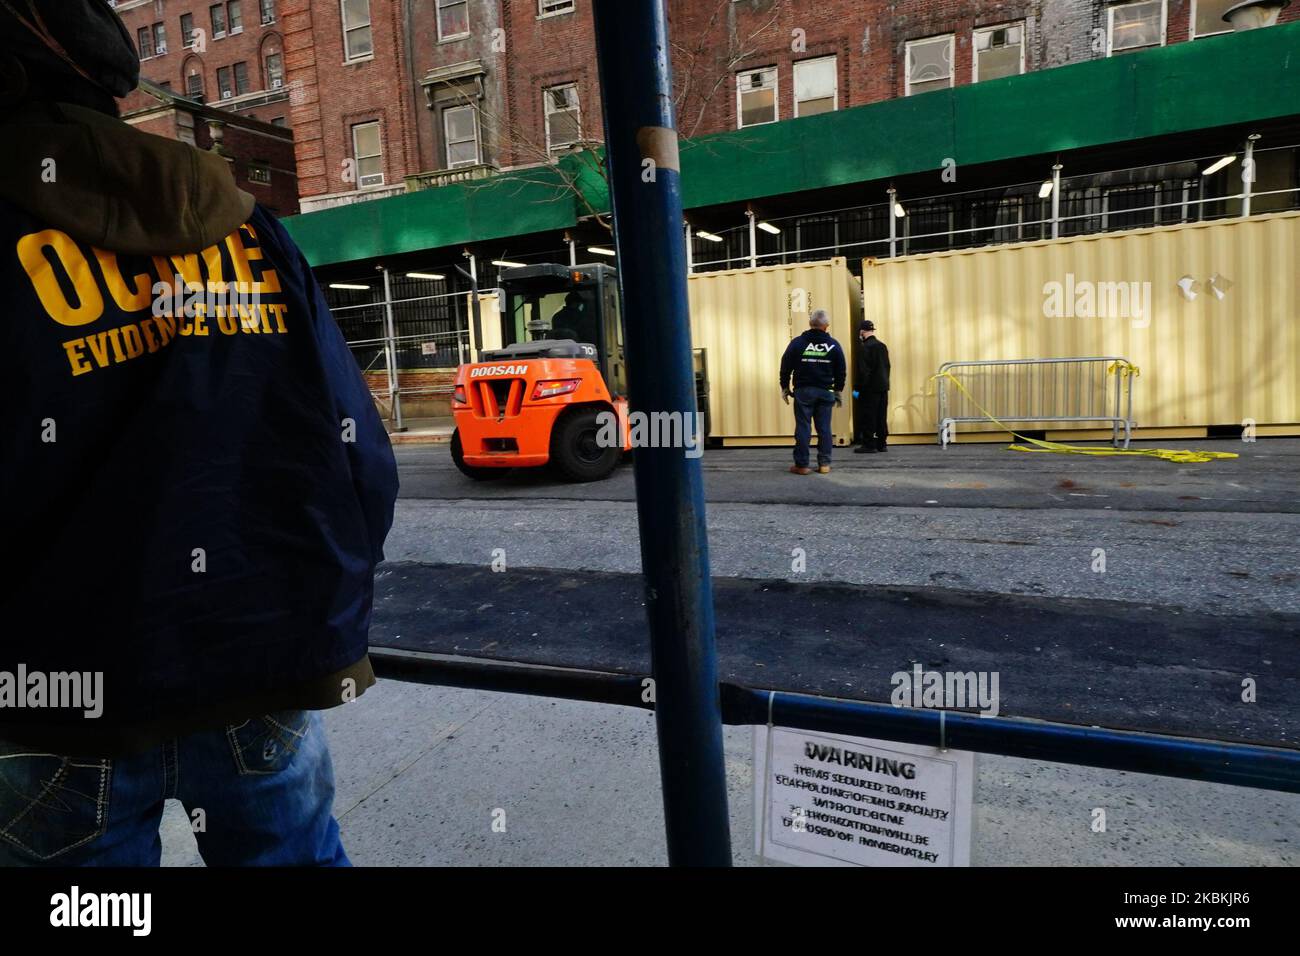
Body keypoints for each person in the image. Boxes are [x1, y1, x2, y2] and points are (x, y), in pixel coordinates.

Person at [0, 0, 398, 866]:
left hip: (55, 692)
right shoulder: (250, 229)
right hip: (259, 664)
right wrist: (316, 610)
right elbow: (357, 451)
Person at [779, 309, 846, 475]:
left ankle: (802, 465)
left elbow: (785, 366)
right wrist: (838, 390)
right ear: (826, 326)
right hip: (825, 392)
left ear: (810, 324)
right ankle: (824, 464)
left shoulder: (797, 343)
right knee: (824, 428)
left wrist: (785, 387)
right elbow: (841, 370)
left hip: (804, 392)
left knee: (803, 427)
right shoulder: (834, 345)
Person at [853, 319, 891, 453]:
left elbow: (863, 372)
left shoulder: (864, 348)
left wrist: (857, 390)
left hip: (869, 389)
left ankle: (869, 444)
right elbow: (887, 367)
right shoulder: (882, 346)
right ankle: (882, 443)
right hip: (883, 387)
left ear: (862, 331)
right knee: (881, 415)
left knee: (868, 415)